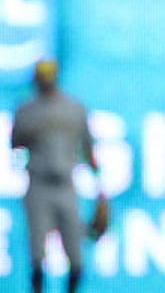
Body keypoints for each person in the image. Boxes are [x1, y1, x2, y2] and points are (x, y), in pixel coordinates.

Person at [11, 60, 103, 293]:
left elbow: (88, 149)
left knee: (75, 252)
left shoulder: (74, 108)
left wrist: (101, 189)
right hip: (39, 183)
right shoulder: (26, 110)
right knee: (37, 253)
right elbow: (15, 145)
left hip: (65, 184)